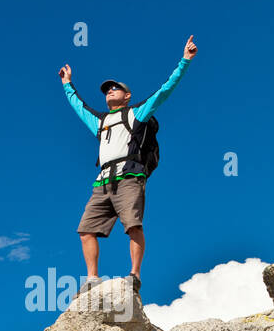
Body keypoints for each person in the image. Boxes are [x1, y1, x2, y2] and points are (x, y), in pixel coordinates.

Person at [58, 35, 197, 294]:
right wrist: (67, 84)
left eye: (115, 88)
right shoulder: (99, 122)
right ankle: (92, 279)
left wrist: (185, 61)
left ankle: (134, 275)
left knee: (133, 225)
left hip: (130, 177)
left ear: (127, 95)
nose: (110, 91)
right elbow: (79, 106)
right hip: (102, 182)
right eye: (107, 90)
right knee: (86, 230)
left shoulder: (137, 113)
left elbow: (165, 90)